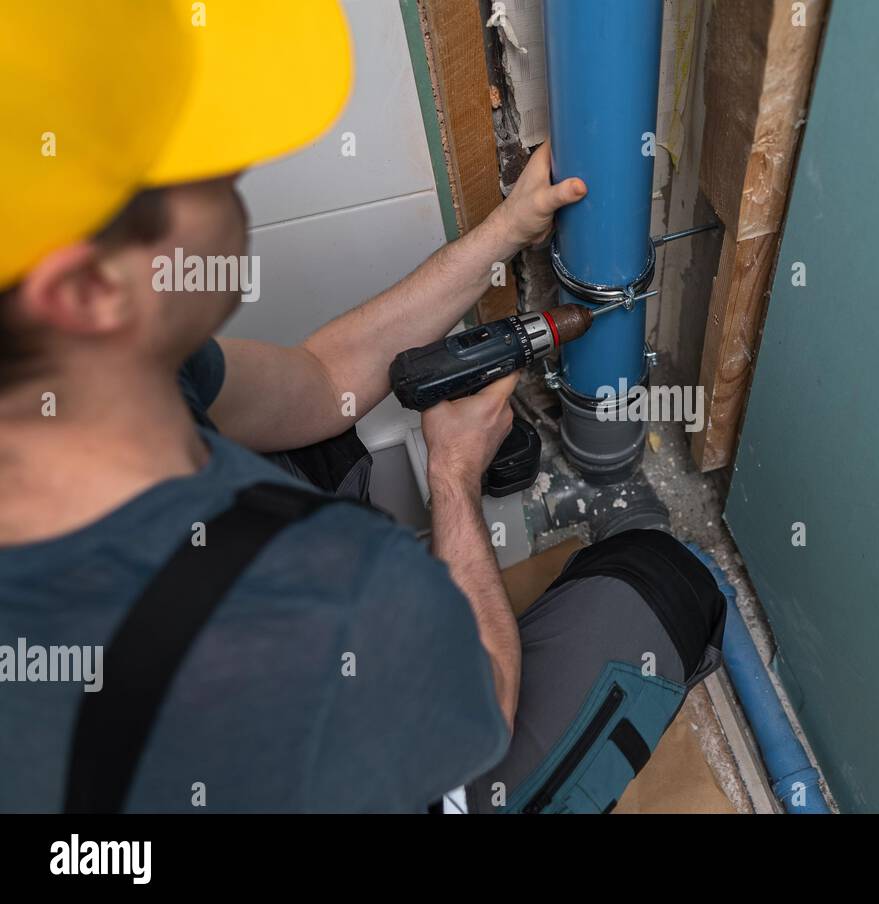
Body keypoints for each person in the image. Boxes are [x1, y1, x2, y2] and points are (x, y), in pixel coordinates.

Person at [0, 1, 722, 813]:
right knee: (673, 582)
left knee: (316, 443)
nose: (235, 177)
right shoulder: (298, 593)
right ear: (88, 291)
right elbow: (487, 702)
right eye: (196, 171)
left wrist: (506, 231)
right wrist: (453, 477)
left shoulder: (97, 378)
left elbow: (318, 377)